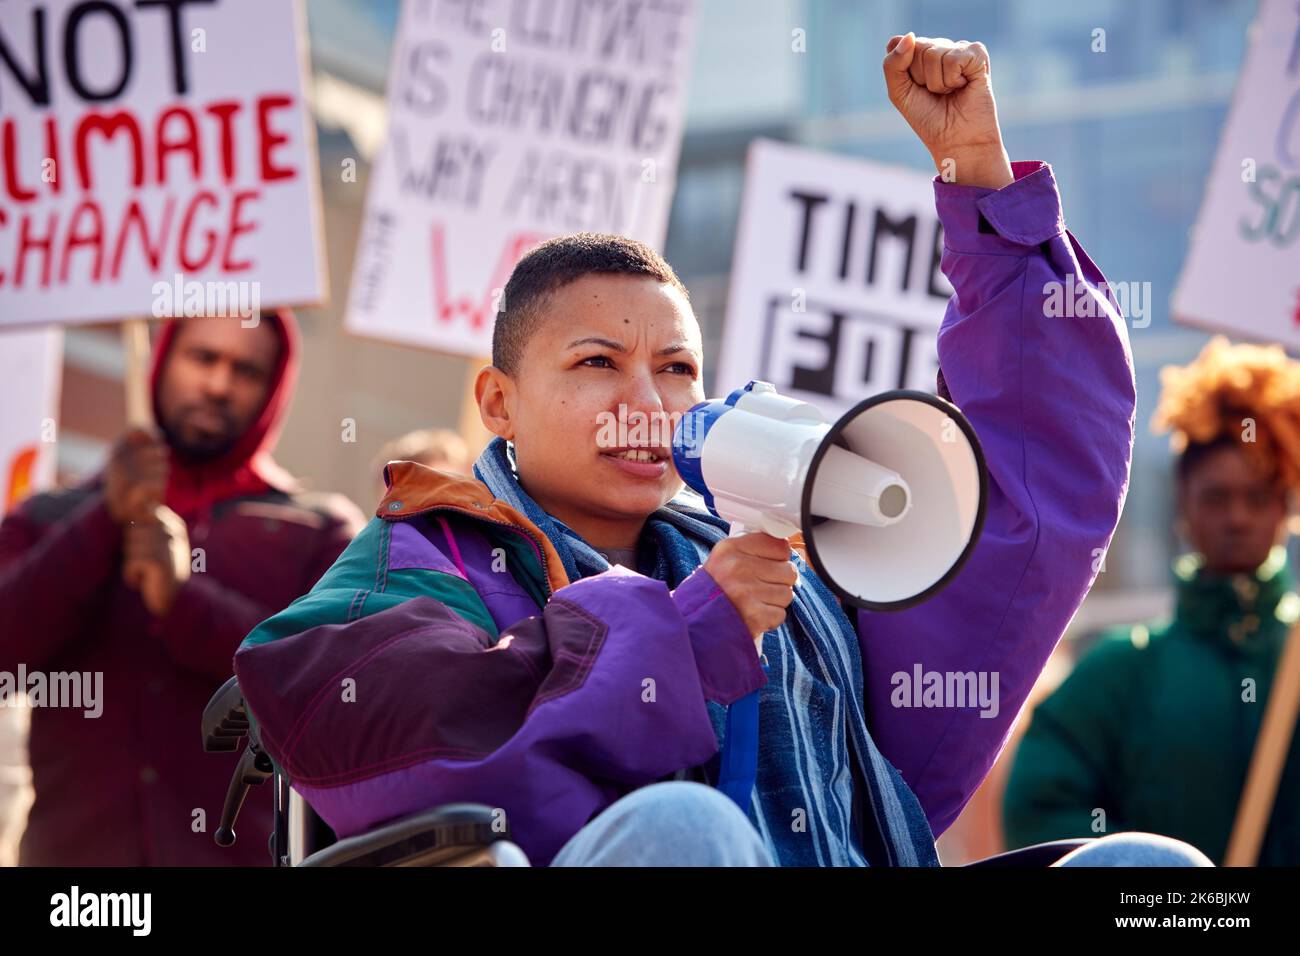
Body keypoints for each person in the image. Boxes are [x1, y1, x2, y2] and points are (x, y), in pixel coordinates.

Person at [231, 34, 1204, 867]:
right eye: (597, 361)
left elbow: (1027, 507)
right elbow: (405, 744)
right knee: (684, 830)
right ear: (498, 402)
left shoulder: (792, 576)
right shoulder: (424, 557)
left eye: (677, 366)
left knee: (1155, 874)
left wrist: (982, 188)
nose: (646, 400)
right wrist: (690, 635)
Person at [0, 310, 365, 865]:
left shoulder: (319, 532)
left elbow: (332, 697)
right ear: (162, 358)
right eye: (202, 358)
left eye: (245, 370)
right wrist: (102, 523)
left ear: (274, 389)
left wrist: (184, 599)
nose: (218, 385)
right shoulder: (54, 517)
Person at [1004, 336, 1300, 865]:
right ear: (1182, 504)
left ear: (1285, 507)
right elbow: (1040, 813)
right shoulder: (1117, 673)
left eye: (1256, 498)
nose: (1237, 517)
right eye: (1216, 497)